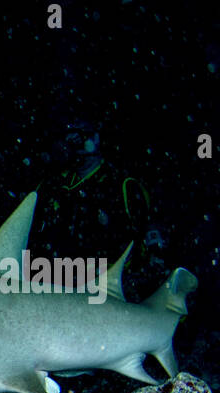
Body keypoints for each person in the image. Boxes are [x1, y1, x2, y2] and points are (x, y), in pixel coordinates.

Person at [30, 120, 169, 297]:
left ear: (96, 139)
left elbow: (151, 252)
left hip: (106, 293)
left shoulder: (124, 188)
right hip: (49, 288)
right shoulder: (50, 187)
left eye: (80, 136)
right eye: (68, 138)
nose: (73, 144)